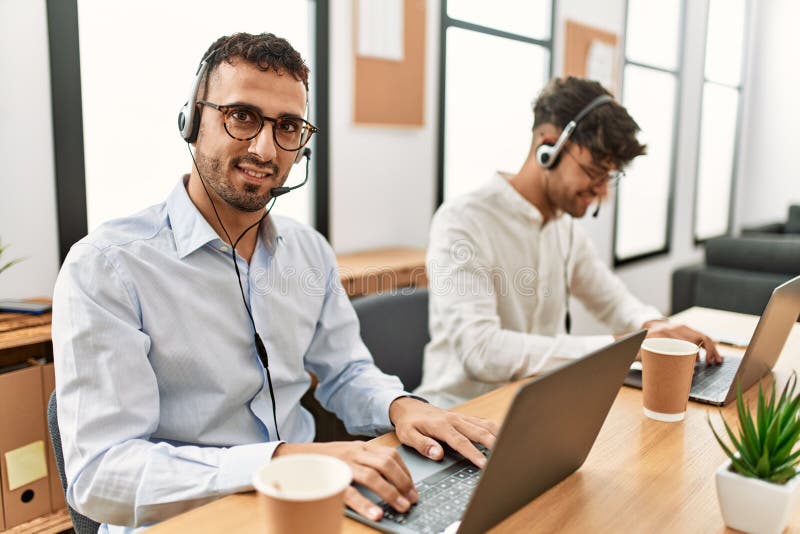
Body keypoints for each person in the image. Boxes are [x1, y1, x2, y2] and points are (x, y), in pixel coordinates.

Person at [52, 32, 496, 532]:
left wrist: (402, 406)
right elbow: (101, 474)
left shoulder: (308, 250)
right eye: (241, 116)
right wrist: (281, 461)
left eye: (287, 126)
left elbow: (346, 370)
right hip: (187, 519)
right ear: (192, 121)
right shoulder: (107, 267)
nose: (265, 149)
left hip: (307, 501)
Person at [414, 76, 722, 408]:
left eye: (609, 177)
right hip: (457, 413)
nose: (601, 191)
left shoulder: (565, 229)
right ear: (548, 147)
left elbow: (614, 302)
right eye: (593, 171)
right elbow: (481, 351)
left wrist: (658, 328)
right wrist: (628, 346)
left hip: (533, 406)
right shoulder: (463, 220)